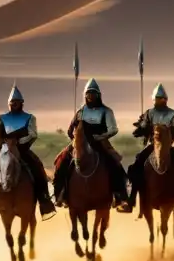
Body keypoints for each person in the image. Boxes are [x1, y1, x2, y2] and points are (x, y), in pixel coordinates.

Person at [0, 84, 57, 219]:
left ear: (22, 104)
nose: (14, 105)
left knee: (38, 169)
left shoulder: (29, 118)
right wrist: (1, 148)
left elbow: (33, 134)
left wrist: (19, 142)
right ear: (9, 103)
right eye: (12, 103)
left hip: (23, 150)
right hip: (4, 151)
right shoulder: (1, 118)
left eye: (17, 103)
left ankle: (45, 202)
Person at [52, 78, 129, 208]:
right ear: (85, 95)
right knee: (61, 161)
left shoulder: (106, 111)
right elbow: (70, 130)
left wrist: (100, 136)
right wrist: (76, 141)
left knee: (115, 165)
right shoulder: (80, 112)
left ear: (98, 95)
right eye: (88, 94)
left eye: (93, 94)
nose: (90, 96)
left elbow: (113, 129)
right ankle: (61, 194)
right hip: (79, 143)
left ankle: (119, 196)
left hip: (100, 142)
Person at [118, 83, 174, 214]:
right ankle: (131, 201)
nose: (159, 100)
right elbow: (138, 130)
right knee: (134, 167)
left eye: (161, 98)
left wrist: (171, 130)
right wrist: (143, 128)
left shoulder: (172, 114)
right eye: (157, 98)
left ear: (165, 99)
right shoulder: (149, 113)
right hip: (152, 146)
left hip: (168, 146)